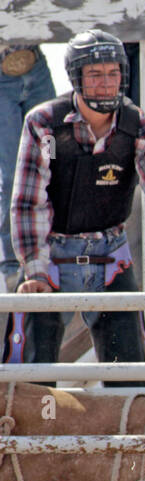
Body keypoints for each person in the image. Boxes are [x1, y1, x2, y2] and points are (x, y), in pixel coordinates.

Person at [8, 30, 145, 384]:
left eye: (113, 73)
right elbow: (28, 203)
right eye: (95, 74)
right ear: (77, 78)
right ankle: (24, 437)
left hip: (111, 255)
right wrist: (35, 270)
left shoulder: (141, 127)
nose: (105, 84)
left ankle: (124, 437)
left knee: (131, 375)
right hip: (50, 255)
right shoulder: (45, 124)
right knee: (30, 377)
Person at [0, 41, 56, 294]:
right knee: (12, 173)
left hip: (34, 61)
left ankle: (53, 250)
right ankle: (13, 264)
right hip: (9, 66)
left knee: (53, 161)